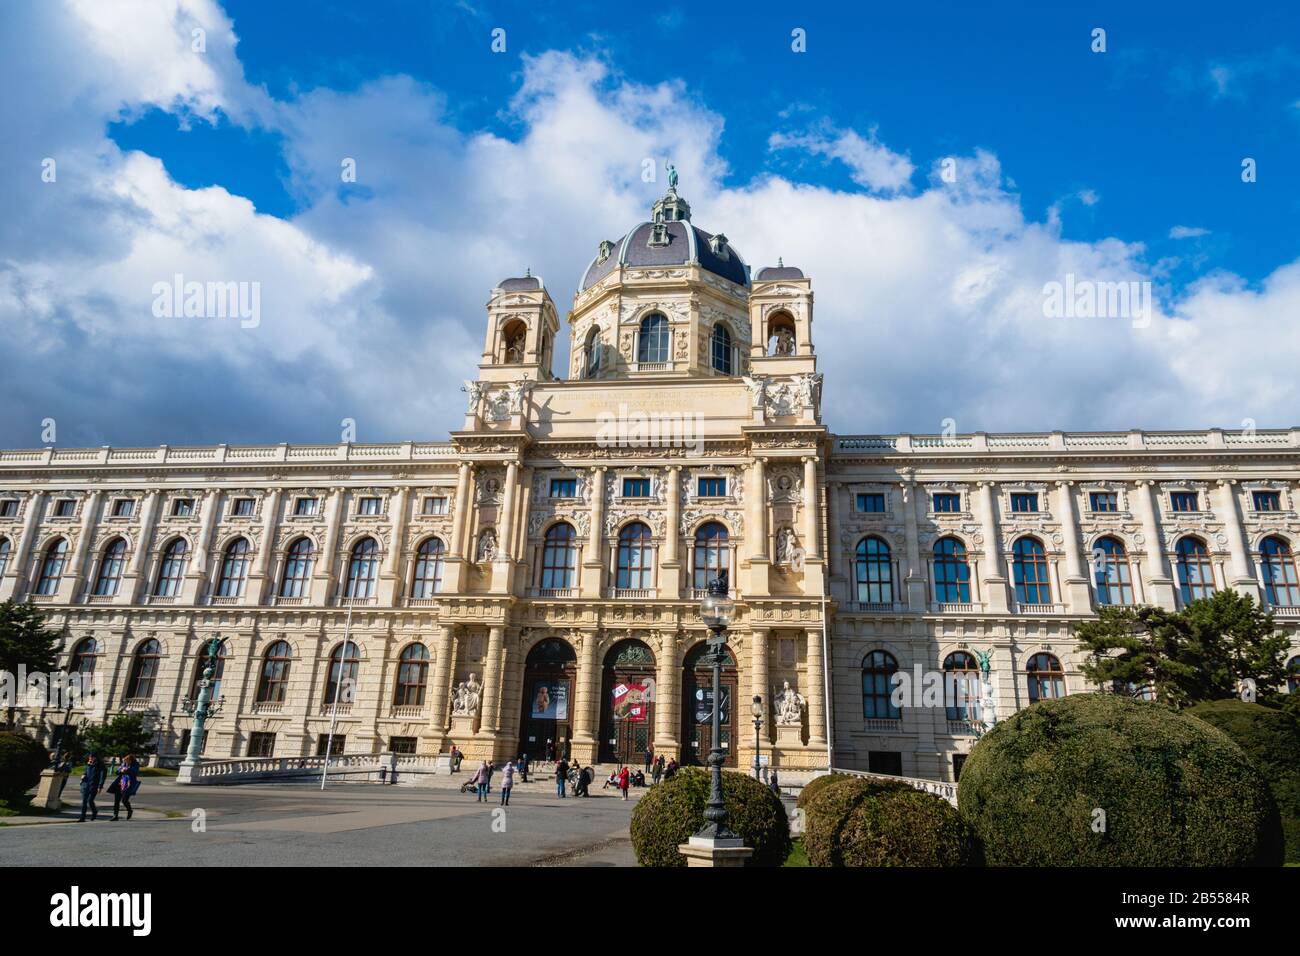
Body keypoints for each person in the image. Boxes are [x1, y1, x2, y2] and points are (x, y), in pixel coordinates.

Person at [109, 754, 139, 821]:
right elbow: (117, 771)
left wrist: (127, 770)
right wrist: (121, 771)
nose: (125, 762)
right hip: (120, 783)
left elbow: (135, 772)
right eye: (124, 761)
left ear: (130, 761)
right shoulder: (123, 764)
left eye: (126, 761)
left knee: (124, 800)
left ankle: (129, 810)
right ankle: (115, 815)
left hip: (128, 784)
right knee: (117, 800)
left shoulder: (135, 765)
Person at [77, 754, 106, 822]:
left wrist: (100, 786)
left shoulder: (100, 766)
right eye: (90, 757)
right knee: (84, 801)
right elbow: (85, 773)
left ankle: (94, 811)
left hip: (94, 786)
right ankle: (82, 817)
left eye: (92, 757)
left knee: (90, 800)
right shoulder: (88, 765)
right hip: (85, 785)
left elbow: (102, 777)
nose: (90, 759)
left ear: (96, 758)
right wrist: (83, 776)